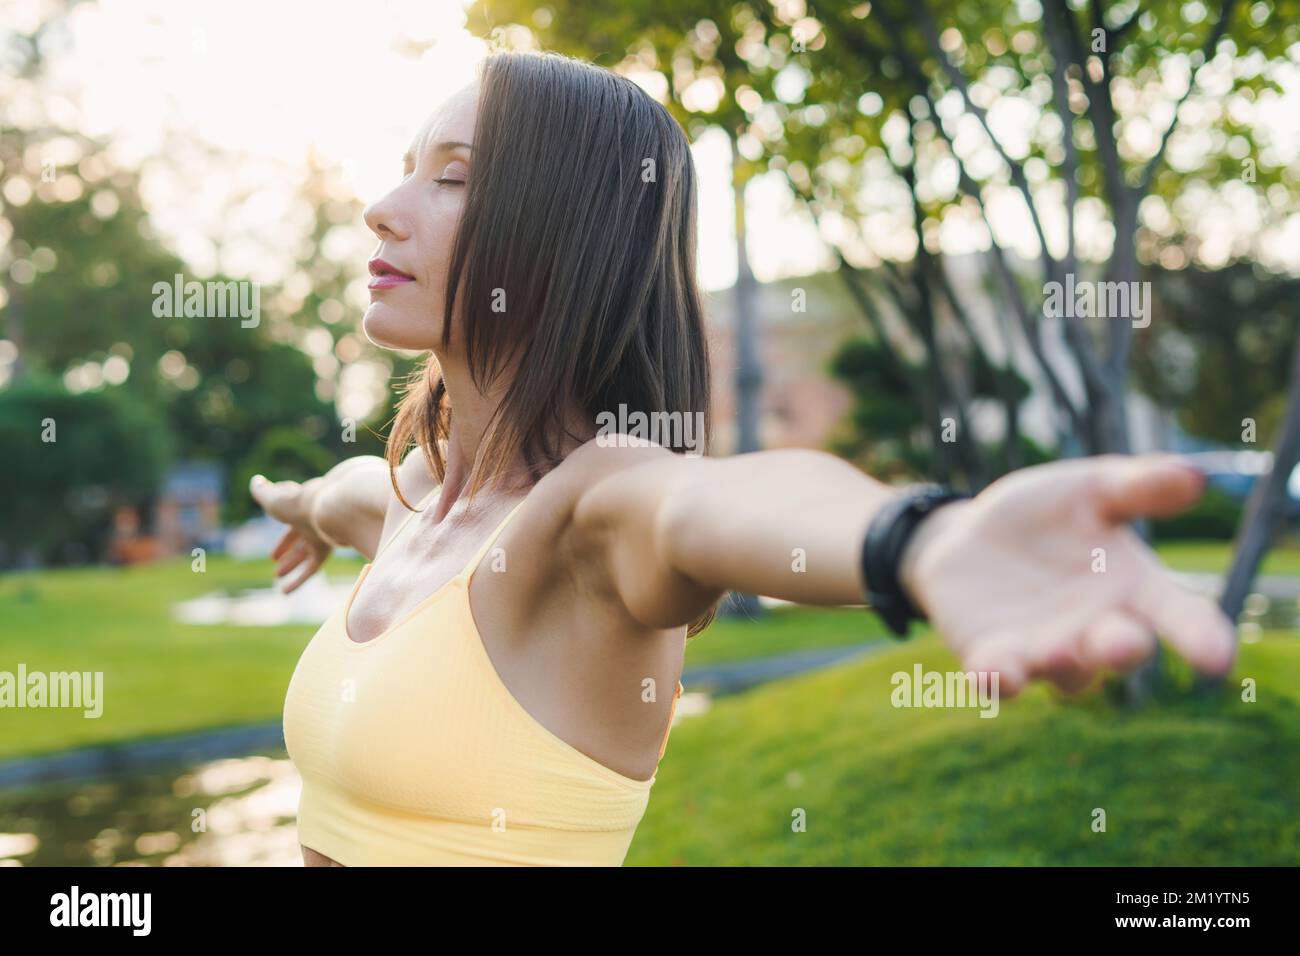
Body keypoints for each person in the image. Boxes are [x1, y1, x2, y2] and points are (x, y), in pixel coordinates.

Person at [251, 51, 1235, 867]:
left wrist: (914, 536)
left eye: (454, 177)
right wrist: (289, 502)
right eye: (408, 166)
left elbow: (716, 503)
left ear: (563, 234)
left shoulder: (595, 502)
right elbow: (332, 496)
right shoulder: (404, 500)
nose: (384, 206)